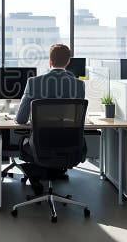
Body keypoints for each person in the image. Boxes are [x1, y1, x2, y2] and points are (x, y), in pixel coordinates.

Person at [15, 44, 86, 195]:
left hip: (41, 145)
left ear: (50, 61)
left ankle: (35, 172)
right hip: (70, 145)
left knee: (26, 142)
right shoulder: (79, 85)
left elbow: (21, 119)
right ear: (68, 62)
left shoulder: (33, 82)